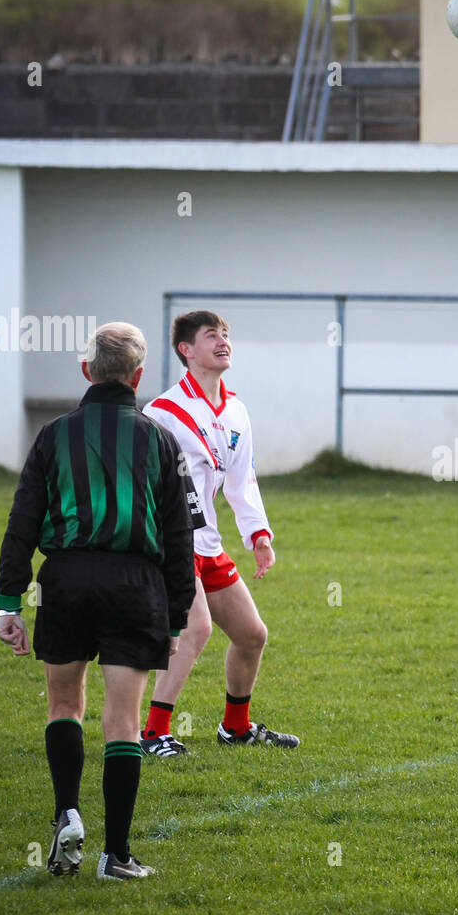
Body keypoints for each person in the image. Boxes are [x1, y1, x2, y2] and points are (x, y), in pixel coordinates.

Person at [0, 321, 197, 879]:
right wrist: (176, 613)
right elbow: (180, 537)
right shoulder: (161, 438)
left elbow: (22, 523)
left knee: (64, 706)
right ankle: (117, 855)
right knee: (123, 721)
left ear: (86, 372)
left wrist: (8, 601)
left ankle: (66, 814)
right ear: (138, 377)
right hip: (136, 585)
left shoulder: (53, 435)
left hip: (65, 580)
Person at [139, 311, 299, 756]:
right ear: (186, 350)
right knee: (196, 629)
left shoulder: (236, 410)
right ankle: (152, 733)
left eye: (226, 334)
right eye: (212, 336)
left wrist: (258, 535)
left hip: (208, 543)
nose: (223, 342)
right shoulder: (162, 412)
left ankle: (236, 727)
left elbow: (242, 479)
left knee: (252, 634)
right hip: (172, 544)